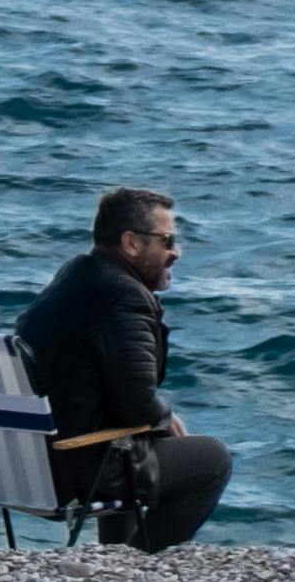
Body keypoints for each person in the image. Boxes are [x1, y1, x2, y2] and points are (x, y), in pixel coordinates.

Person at [13, 181, 233, 549]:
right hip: (78, 466)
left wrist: (156, 420)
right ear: (131, 243)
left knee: (131, 439)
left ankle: (115, 556)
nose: (176, 251)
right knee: (212, 460)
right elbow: (135, 402)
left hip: (29, 461)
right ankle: (137, 559)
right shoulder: (124, 296)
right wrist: (163, 419)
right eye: (166, 240)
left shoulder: (73, 277)